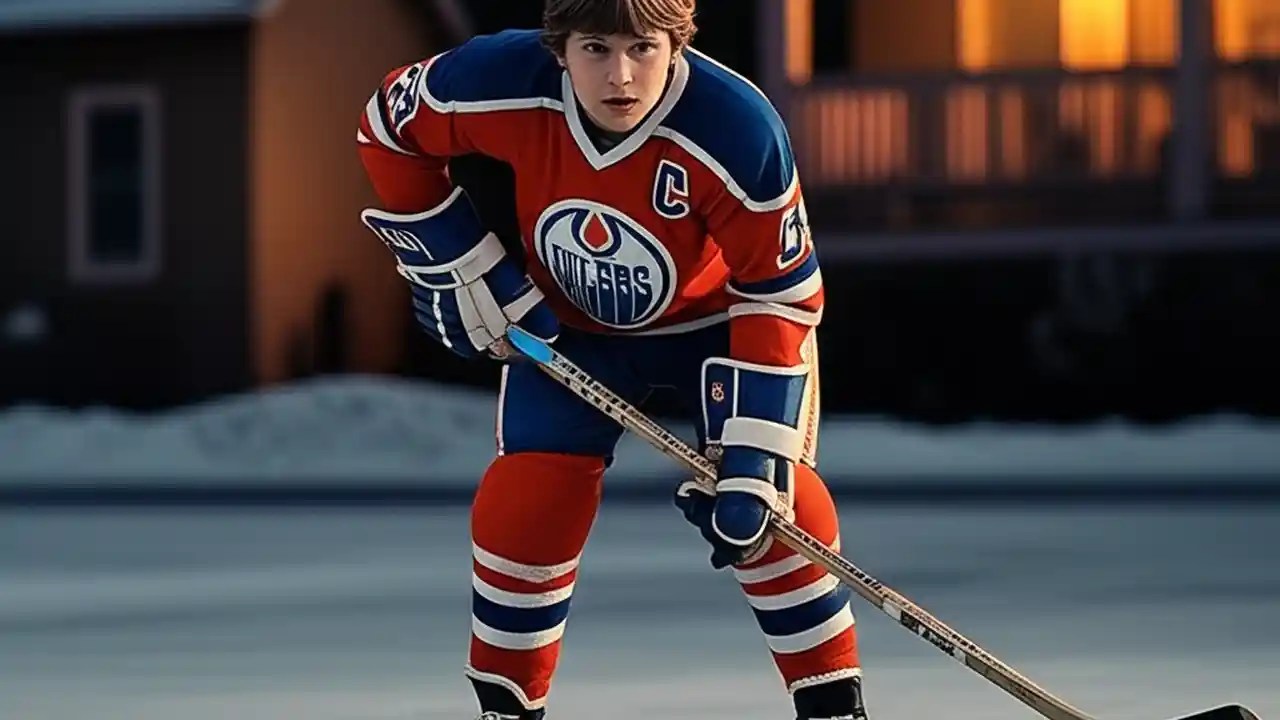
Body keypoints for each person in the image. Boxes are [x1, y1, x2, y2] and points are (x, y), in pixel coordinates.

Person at [356, 1, 867, 718]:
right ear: (558, 47)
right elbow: (388, 129)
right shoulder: (497, 80)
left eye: (642, 48)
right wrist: (456, 260)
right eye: (595, 48)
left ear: (677, 44)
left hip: (721, 327)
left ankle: (833, 706)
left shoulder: (737, 128)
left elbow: (777, 292)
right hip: (570, 328)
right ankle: (506, 708)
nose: (620, 76)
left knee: (778, 516)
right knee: (526, 504)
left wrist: (755, 456)